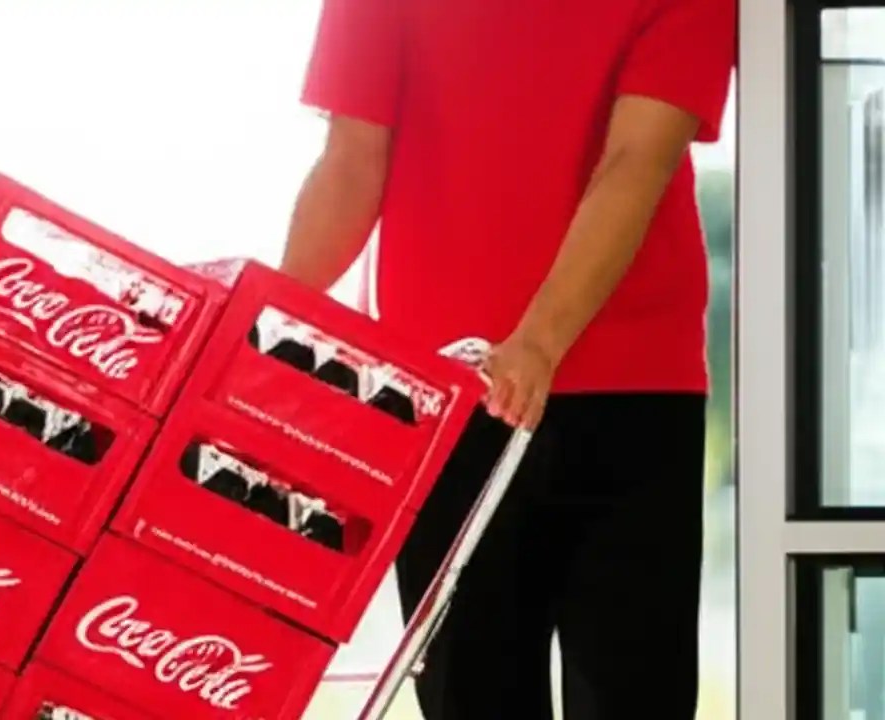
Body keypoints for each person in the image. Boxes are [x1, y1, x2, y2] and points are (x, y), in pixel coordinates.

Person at [278, 1, 736, 718]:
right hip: (447, 399)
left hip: (627, 397)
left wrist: (538, 341)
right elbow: (352, 161)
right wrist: (267, 323)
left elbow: (640, 158)